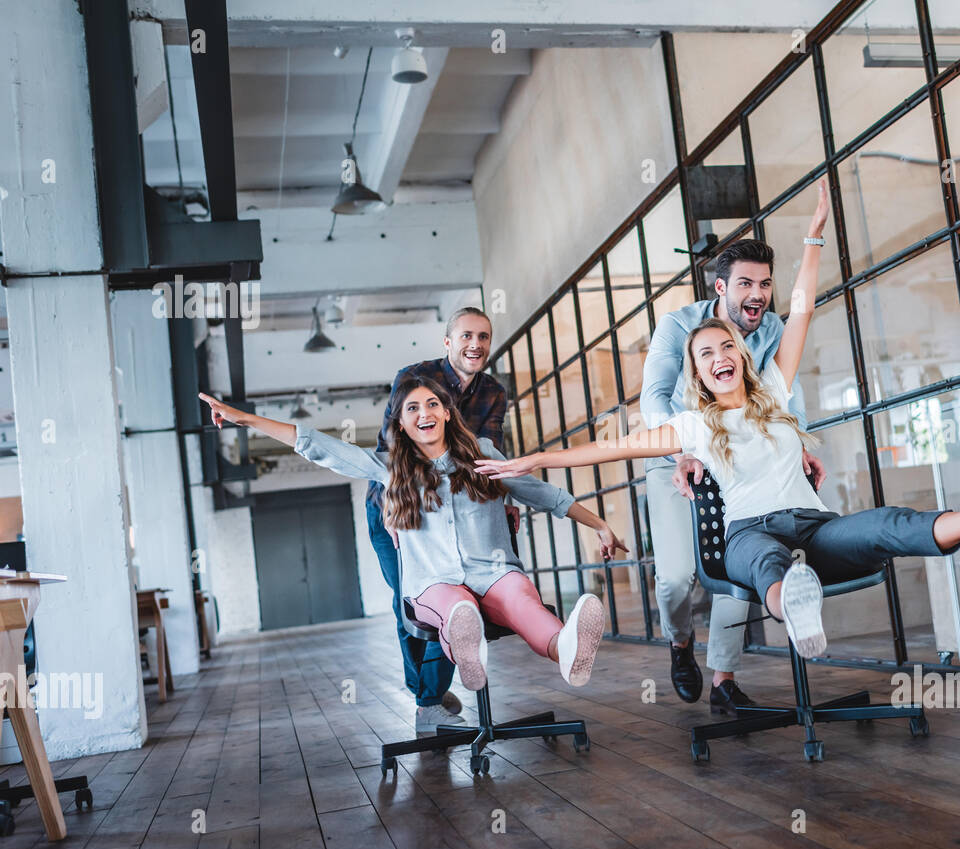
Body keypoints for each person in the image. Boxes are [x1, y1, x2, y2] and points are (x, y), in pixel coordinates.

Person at [475, 204, 960, 663]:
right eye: (707, 353)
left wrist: (814, 238)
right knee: (769, 566)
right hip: (751, 533)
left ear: (742, 358)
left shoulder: (773, 387)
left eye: (729, 348)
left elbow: (801, 309)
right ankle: (792, 609)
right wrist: (532, 461)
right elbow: (609, 447)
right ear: (696, 371)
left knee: (886, 524)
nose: (721, 355)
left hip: (814, 527)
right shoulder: (691, 425)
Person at [199, 375, 627, 698]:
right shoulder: (390, 468)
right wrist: (244, 419)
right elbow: (319, 445)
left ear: (445, 413)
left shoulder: (483, 456)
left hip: (493, 573)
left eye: (432, 403)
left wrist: (599, 524)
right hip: (433, 583)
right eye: (412, 408)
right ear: (401, 424)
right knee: (458, 607)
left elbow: (541, 493)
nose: (424, 412)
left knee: (519, 595)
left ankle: (565, 650)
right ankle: (467, 654)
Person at [636, 187, 830, 715]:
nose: (758, 295)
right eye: (745, 283)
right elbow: (653, 395)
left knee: (733, 565)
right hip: (674, 458)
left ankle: (723, 678)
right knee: (676, 577)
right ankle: (680, 645)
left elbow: (785, 390)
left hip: (736, 461)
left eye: (765, 285)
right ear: (721, 288)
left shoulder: (769, 329)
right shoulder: (679, 326)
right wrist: (678, 452)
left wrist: (802, 444)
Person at [367, 306, 519, 730]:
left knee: (457, 594)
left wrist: (505, 498)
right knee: (413, 597)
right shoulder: (414, 377)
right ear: (448, 342)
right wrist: (393, 507)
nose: (476, 345)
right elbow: (390, 447)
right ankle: (428, 697)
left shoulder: (493, 392)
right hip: (403, 506)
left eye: (484, 337)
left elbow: (492, 453)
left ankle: (428, 695)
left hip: (460, 508)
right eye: (466, 336)